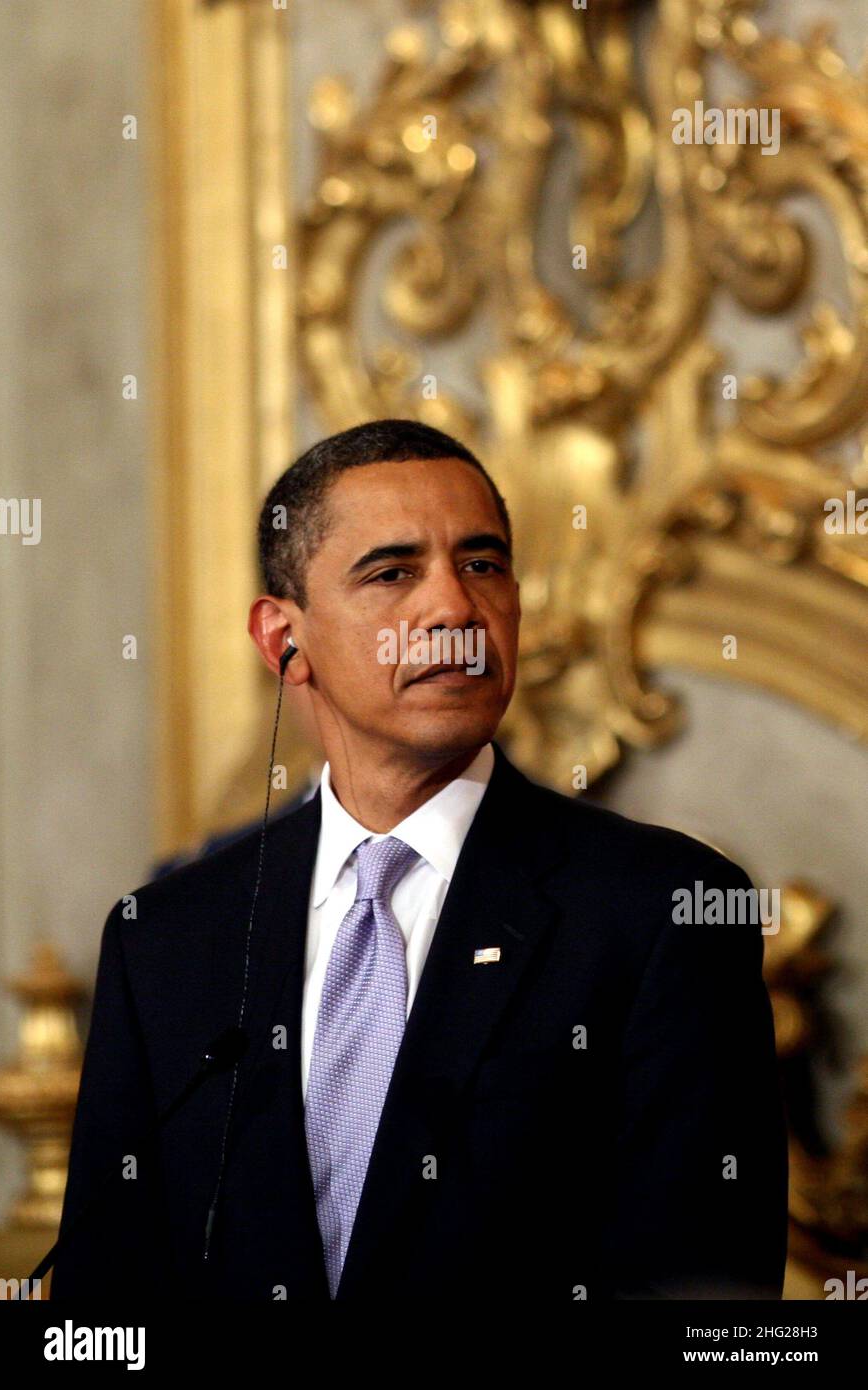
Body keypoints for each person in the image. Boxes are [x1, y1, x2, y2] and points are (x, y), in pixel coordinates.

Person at [50, 418, 788, 1302]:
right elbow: (105, 1310)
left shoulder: (665, 910)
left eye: (482, 564)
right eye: (393, 572)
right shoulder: (166, 940)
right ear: (284, 640)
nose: (451, 610)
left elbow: (702, 1305)